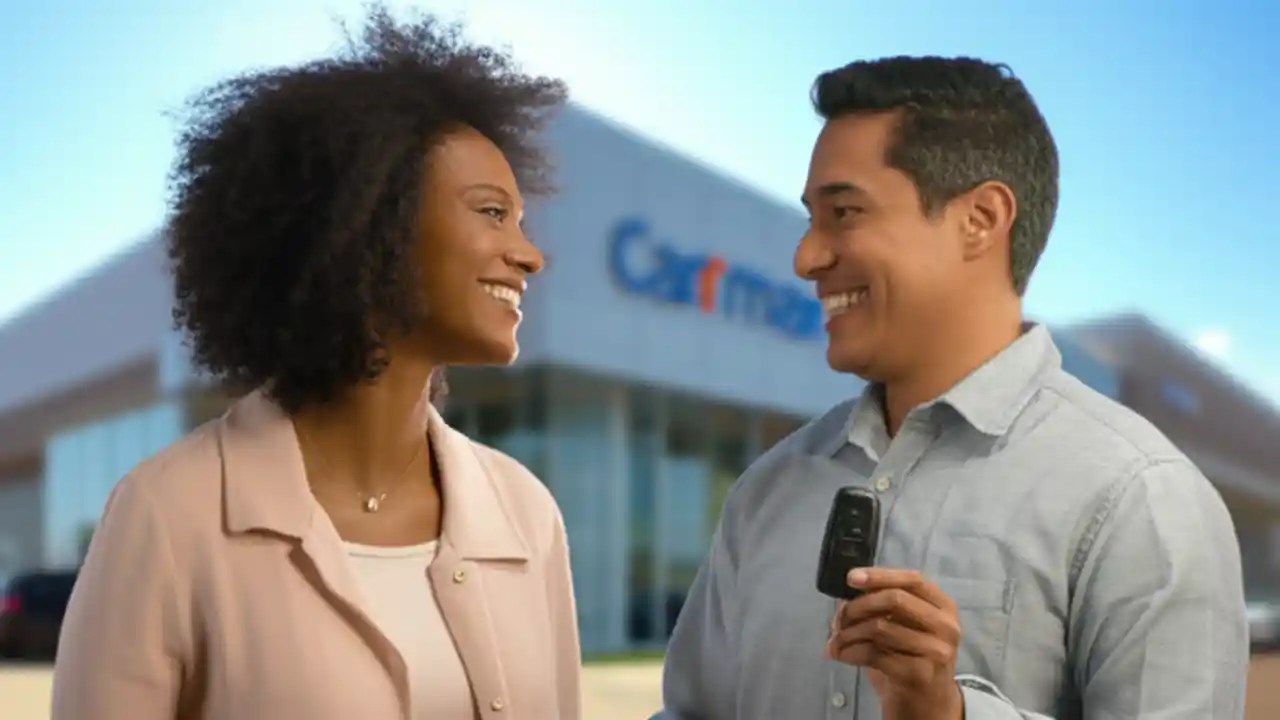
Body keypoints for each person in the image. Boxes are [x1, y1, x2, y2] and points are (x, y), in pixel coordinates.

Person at [657, 56, 1248, 719]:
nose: (806, 258)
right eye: (810, 220)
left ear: (981, 219)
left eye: (845, 212)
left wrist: (951, 714)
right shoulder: (767, 492)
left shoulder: (1141, 499)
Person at [51, 6, 580, 719]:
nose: (530, 254)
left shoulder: (527, 515)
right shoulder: (167, 516)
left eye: (521, 219)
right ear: (369, 222)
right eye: (491, 213)